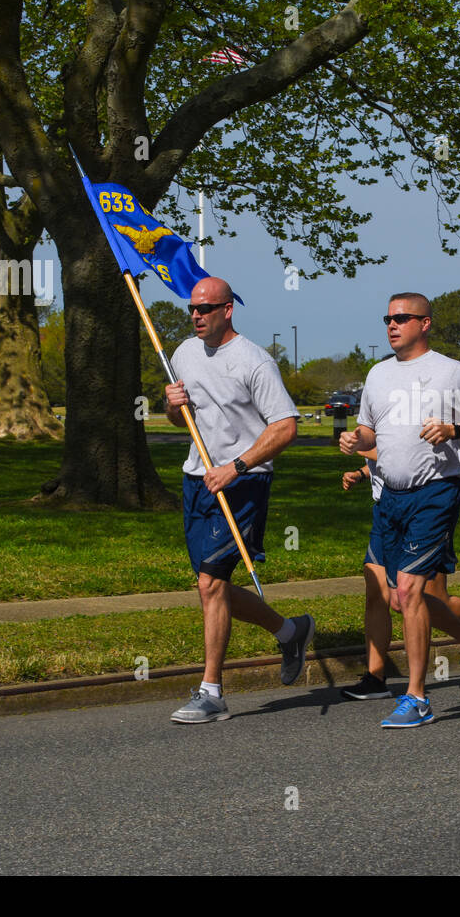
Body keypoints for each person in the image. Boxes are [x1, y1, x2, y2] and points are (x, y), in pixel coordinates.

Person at [341, 293, 460, 726]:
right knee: (397, 597)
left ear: (425, 323)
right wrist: (354, 441)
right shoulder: (378, 374)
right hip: (389, 497)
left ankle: (416, 697)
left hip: (435, 491)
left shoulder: (451, 372)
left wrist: (454, 428)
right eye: (388, 318)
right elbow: (367, 430)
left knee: (411, 591)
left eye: (402, 318)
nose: (392, 325)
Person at [164, 277, 314, 724]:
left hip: (243, 483)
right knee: (211, 586)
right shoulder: (183, 354)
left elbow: (286, 426)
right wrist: (173, 406)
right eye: (192, 308)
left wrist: (238, 466)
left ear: (228, 310)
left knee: (211, 583)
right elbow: (180, 420)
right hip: (197, 479)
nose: (196, 315)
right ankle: (290, 631)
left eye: (206, 309)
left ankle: (211, 692)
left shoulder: (254, 361)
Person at [338, 452, 460, 702]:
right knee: (378, 593)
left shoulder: (425, 412)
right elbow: (389, 444)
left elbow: (409, 448)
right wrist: (364, 472)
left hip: (426, 508)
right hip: (386, 509)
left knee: (431, 598)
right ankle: (376, 678)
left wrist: (368, 447)